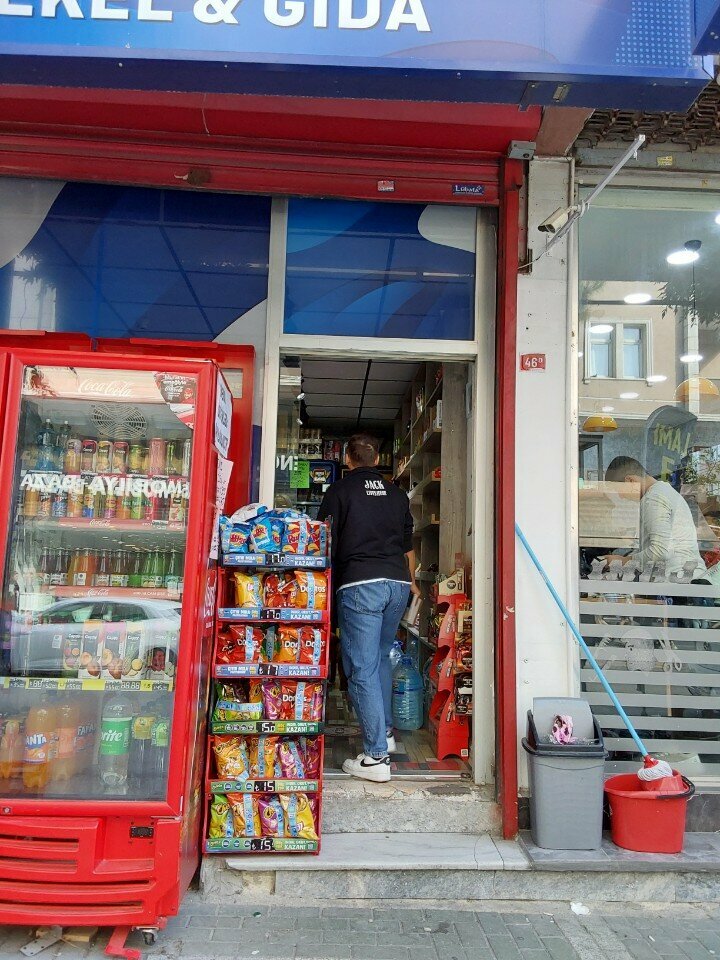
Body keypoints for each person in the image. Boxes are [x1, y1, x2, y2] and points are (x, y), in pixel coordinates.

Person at [318, 433, 420, 783]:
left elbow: (324, 541)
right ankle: (387, 734)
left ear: (348, 459)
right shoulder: (396, 494)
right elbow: (408, 544)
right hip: (397, 584)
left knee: (360, 668)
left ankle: (376, 757)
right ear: (376, 459)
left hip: (362, 584)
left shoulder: (339, 491)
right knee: (378, 658)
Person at [604, 456, 706, 582]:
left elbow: (660, 551)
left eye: (619, 491)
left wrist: (623, 561)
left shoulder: (653, 499)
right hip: (686, 579)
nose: (621, 496)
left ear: (629, 481)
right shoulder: (664, 491)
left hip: (676, 582)